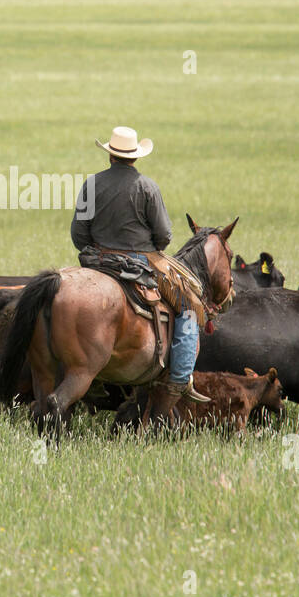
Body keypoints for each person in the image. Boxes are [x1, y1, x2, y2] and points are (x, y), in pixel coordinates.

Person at [71, 125, 209, 403]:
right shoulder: (147, 187)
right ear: (135, 157)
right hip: (141, 261)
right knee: (190, 307)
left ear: (110, 156)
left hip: (97, 261)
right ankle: (180, 378)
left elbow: (79, 235)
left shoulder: (91, 184)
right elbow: (164, 236)